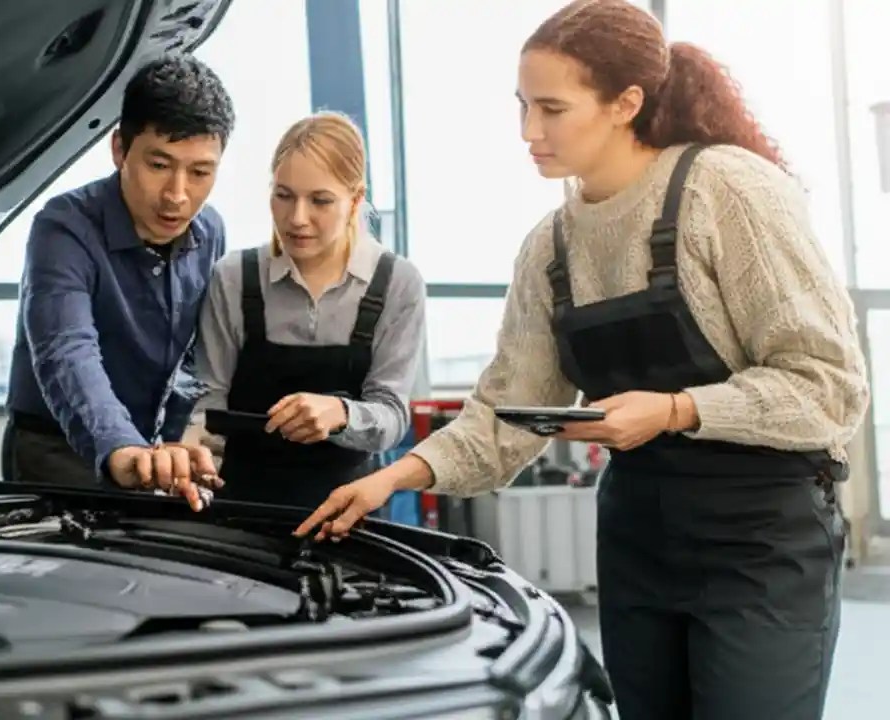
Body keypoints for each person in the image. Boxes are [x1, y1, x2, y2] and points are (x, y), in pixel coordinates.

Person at [294, 2, 868, 718]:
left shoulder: (729, 191)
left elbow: (828, 386)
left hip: (762, 537)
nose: (529, 132)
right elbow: (505, 414)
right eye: (522, 106)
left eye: (552, 108)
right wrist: (394, 479)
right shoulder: (550, 246)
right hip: (640, 536)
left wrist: (675, 410)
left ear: (627, 103)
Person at [3, 54, 235, 511]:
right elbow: (66, 349)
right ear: (119, 149)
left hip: (152, 452)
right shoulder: (63, 227)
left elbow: (200, 355)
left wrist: (179, 442)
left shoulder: (212, 232)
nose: (177, 194)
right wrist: (119, 444)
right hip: (55, 453)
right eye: (159, 164)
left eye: (201, 172)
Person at [183, 112, 426, 509]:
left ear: (355, 199)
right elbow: (208, 402)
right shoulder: (232, 278)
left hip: (348, 514)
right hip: (237, 508)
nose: (297, 219)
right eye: (283, 195)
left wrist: (342, 413)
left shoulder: (398, 283)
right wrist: (197, 465)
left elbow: (393, 416)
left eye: (320, 201)